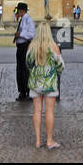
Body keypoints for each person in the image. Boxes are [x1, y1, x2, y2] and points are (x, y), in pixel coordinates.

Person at [27, 19, 64, 149]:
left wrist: (36, 71)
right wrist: (54, 72)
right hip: (49, 82)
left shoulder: (32, 46)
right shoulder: (54, 46)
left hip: (36, 81)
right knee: (49, 111)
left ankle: (37, 141)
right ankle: (49, 140)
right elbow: (60, 65)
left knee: (37, 111)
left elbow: (28, 63)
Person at [13, 2, 35, 101]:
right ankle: (22, 91)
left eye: (19, 10)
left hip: (25, 47)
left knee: (25, 70)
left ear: (22, 11)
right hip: (21, 47)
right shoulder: (23, 19)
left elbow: (31, 34)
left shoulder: (28, 19)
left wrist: (20, 34)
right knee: (20, 70)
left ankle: (27, 91)